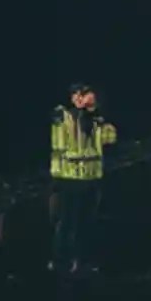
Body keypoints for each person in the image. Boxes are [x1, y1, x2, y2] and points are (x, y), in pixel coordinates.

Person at [49, 83, 117, 273]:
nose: (87, 98)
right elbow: (62, 140)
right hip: (68, 178)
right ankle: (61, 262)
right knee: (66, 222)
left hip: (91, 178)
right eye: (81, 94)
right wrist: (81, 116)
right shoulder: (63, 115)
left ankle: (83, 261)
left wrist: (98, 119)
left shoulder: (96, 119)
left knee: (87, 223)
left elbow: (110, 138)